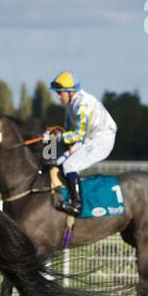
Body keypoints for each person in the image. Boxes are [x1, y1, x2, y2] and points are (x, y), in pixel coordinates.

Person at [45, 72, 118, 217]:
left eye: (60, 93)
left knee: (69, 165)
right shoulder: (70, 104)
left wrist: (57, 138)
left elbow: (79, 134)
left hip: (101, 138)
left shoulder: (82, 104)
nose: (58, 97)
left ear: (70, 92)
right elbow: (69, 131)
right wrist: (56, 139)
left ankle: (76, 204)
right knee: (58, 162)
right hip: (88, 138)